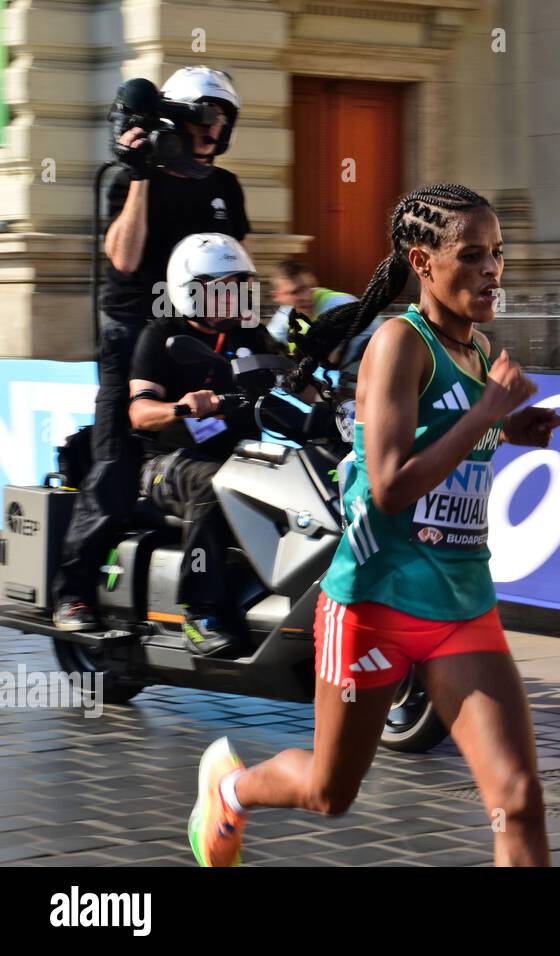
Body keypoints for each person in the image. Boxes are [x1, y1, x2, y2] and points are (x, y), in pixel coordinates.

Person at [187, 183, 560, 868]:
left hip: (459, 603)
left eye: (498, 254)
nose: (492, 271)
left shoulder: (477, 350)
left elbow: (448, 437)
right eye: (473, 255)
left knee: (518, 796)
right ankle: (232, 789)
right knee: (331, 791)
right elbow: (390, 486)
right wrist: (485, 417)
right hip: (373, 602)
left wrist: (507, 429)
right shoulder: (397, 343)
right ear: (422, 262)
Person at [53, 66, 250, 632]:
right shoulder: (131, 177)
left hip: (198, 336)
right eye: (207, 115)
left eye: (224, 117)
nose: (215, 127)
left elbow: (238, 270)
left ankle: (214, 582)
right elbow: (125, 259)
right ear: (182, 118)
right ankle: (75, 593)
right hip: (132, 333)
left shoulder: (224, 188)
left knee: (235, 448)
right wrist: (140, 174)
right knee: (118, 464)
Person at [128, 233, 277, 656]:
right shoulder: (160, 335)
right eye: (222, 288)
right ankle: (199, 613)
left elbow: (287, 381)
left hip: (241, 457)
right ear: (190, 291)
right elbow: (140, 413)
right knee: (214, 485)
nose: (233, 297)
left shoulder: (251, 332)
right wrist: (182, 408)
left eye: (239, 286)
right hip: (166, 464)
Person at [265, 260, 367, 365]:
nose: (305, 296)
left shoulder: (340, 305)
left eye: (306, 288)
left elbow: (331, 360)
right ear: (277, 296)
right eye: (295, 292)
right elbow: (265, 346)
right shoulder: (286, 313)